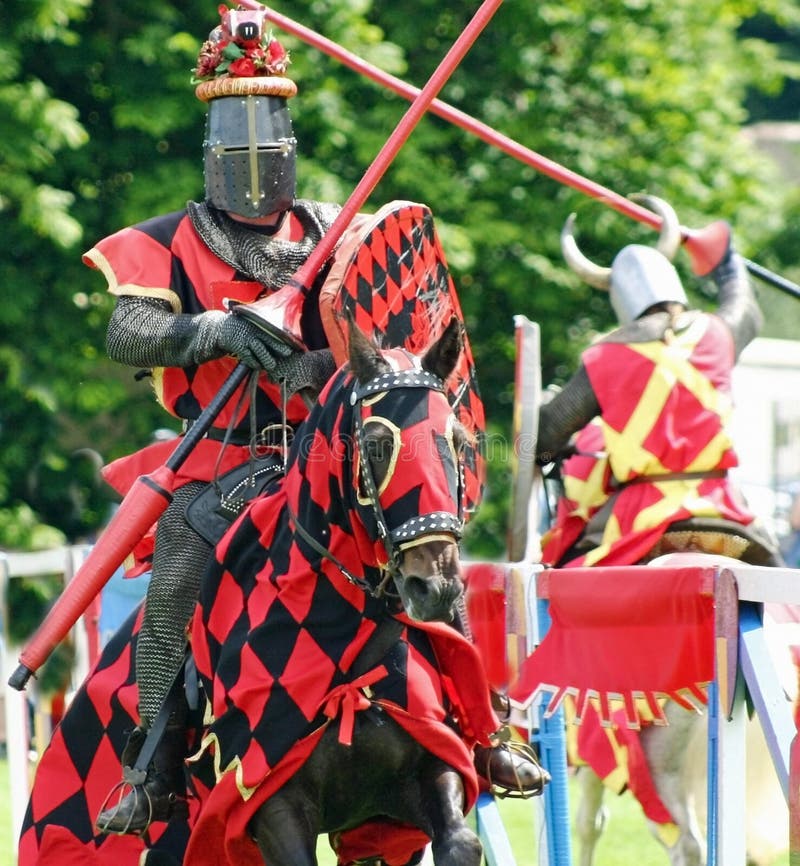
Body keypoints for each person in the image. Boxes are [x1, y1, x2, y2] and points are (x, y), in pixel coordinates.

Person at [87, 7, 543, 836]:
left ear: (291, 129)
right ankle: (153, 765)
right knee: (181, 568)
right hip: (222, 463)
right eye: (236, 121)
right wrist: (217, 330)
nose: (256, 143)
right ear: (211, 139)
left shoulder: (341, 233)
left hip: (334, 452)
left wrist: (320, 361)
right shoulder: (169, 242)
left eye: (270, 119)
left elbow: (394, 324)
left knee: (427, 540)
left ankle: (484, 731)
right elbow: (129, 331)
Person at [536, 195, 782, 569]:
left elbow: (548, 434)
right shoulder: (716, 334)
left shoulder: (606, 356)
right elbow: (744, 303)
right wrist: (725, 259)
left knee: (563, 578)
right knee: (783, 600)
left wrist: (548, 437)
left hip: (640, 520)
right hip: (722, 511)